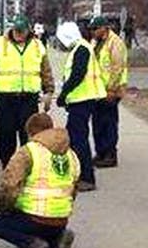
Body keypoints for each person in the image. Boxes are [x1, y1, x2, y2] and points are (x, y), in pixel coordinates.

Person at [0, 112, 79, 248]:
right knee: (45, 225)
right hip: (61, 218)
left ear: (31, 132)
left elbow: (9, 185)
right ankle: (57, 237)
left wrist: (5, 209)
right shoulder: (71, 154)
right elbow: (74, 188)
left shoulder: (29, 151)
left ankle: (30, 243)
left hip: (34, 218)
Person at [0, 15, 55, 167]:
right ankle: (7, 163)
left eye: (22, 31)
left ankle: (28, 165)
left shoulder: (38, 45)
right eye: (16, 31)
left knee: (29, 134)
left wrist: (48, 92)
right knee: (6, 134)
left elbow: (46, 71)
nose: (18, 34)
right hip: (6, 99)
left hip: (29, 99)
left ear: (28, 30)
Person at [54, 20, 105, 191]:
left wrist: (63, 94)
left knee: (78, 139)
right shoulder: (80, 48)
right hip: (81, 100)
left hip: (82, 100)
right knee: (75, 138)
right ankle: (80, 174)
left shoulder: (81, 49)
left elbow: (77, 75)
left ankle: (87, 177)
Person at [89, 16, 129, 168]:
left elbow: (117, 68)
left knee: (108, 123)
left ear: (104, 28)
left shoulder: (115, 43)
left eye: (95, 29)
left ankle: (110, 154)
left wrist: (111, 89)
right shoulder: (96, 42)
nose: (93, 32)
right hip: (97, 90)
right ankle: (100, 152)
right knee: (97, 123)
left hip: (110, 91)